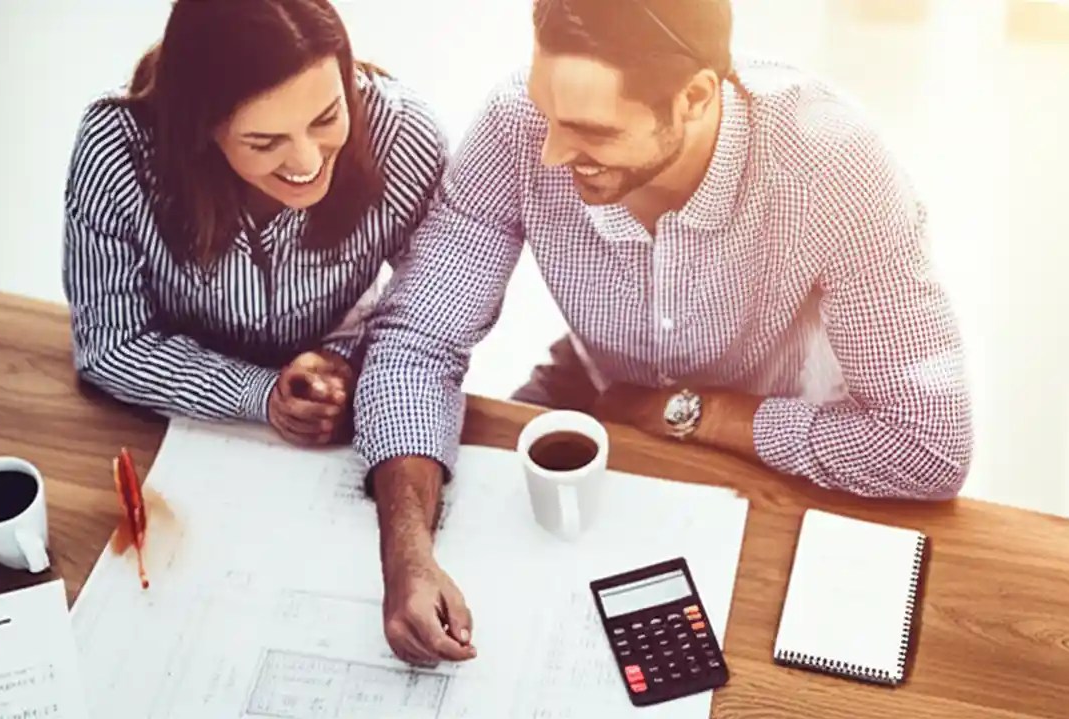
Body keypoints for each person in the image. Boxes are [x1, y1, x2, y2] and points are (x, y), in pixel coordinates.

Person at [352, 0, 973, 665]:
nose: (553, 153)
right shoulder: (521, 123)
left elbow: (930, 445)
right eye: (546, 109)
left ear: (697, 97)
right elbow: (416, 343)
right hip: (597, 392)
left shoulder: (835, 167)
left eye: (591, 129)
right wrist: (408, 555)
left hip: (779, 427)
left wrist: (690, 413)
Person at [61, 0, 471, 665]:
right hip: (172, 433)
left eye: (327, 116)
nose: (307, 159)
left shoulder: (407, 138)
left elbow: (422, 327)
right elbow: (109, 343)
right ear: (202, 128)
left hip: (340, 424)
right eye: (263, 143)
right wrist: (259, 395)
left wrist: (340, 357)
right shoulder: (118, 150)